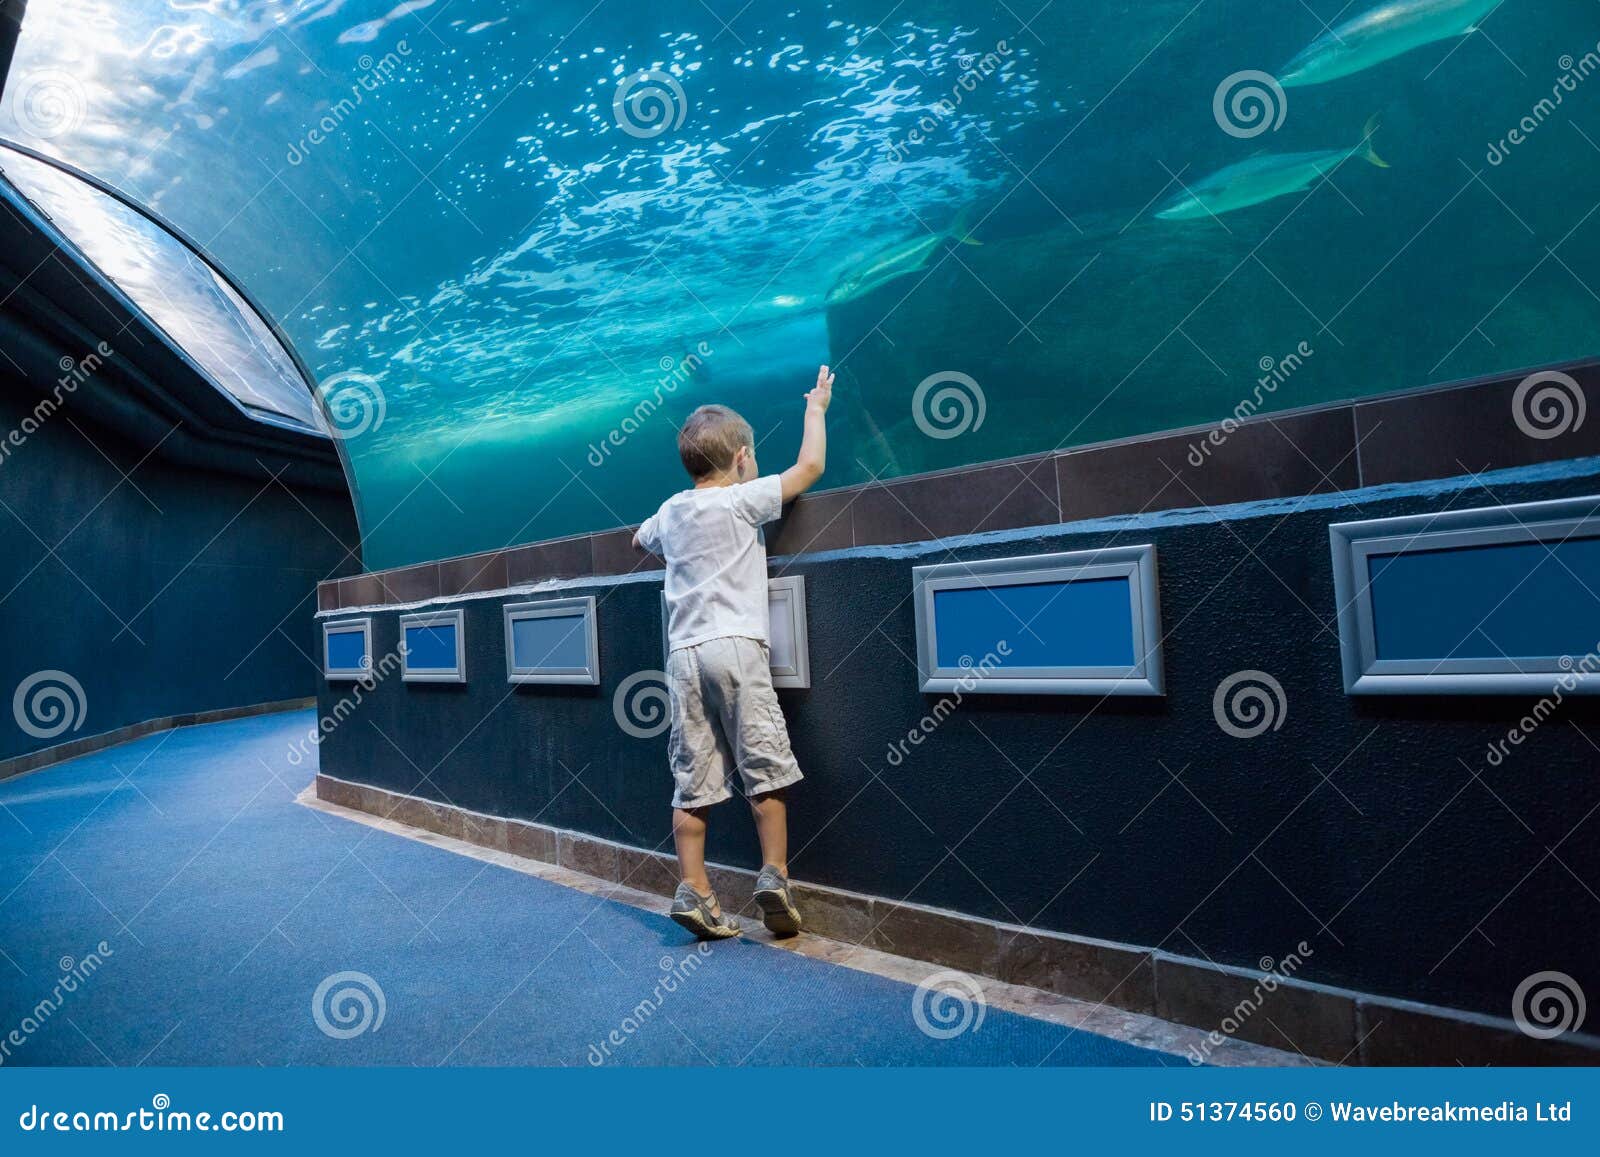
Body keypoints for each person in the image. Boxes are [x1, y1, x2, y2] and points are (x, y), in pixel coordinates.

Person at [632, 365, 835, 940]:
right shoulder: (744, 500)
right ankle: (774, 876)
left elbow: (638, 538)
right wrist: (815, 409)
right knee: (763, 765)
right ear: (743, 458)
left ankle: (694, 888)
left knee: (692, 775)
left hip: (684, 657)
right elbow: (809, 469)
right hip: (737, 650)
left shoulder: (671, 511)